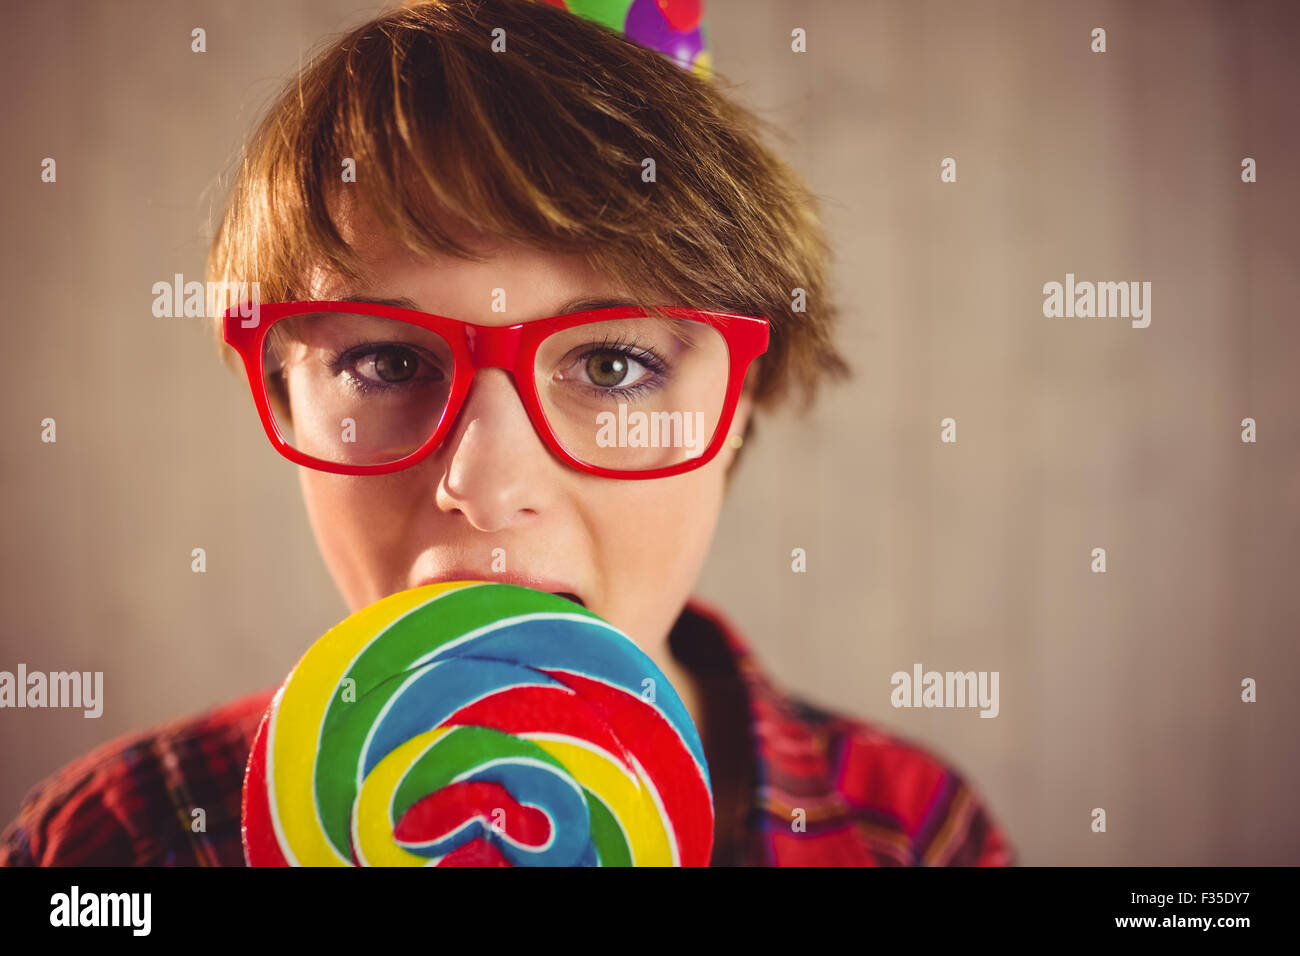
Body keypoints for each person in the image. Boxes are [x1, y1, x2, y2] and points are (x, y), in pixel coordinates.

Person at [0, 0, 1014, 866]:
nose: (485, 486)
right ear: (281, 389)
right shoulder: (113, 843)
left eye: (612, 365)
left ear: (739, 403)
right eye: (385, 361)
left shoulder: (910, 836)